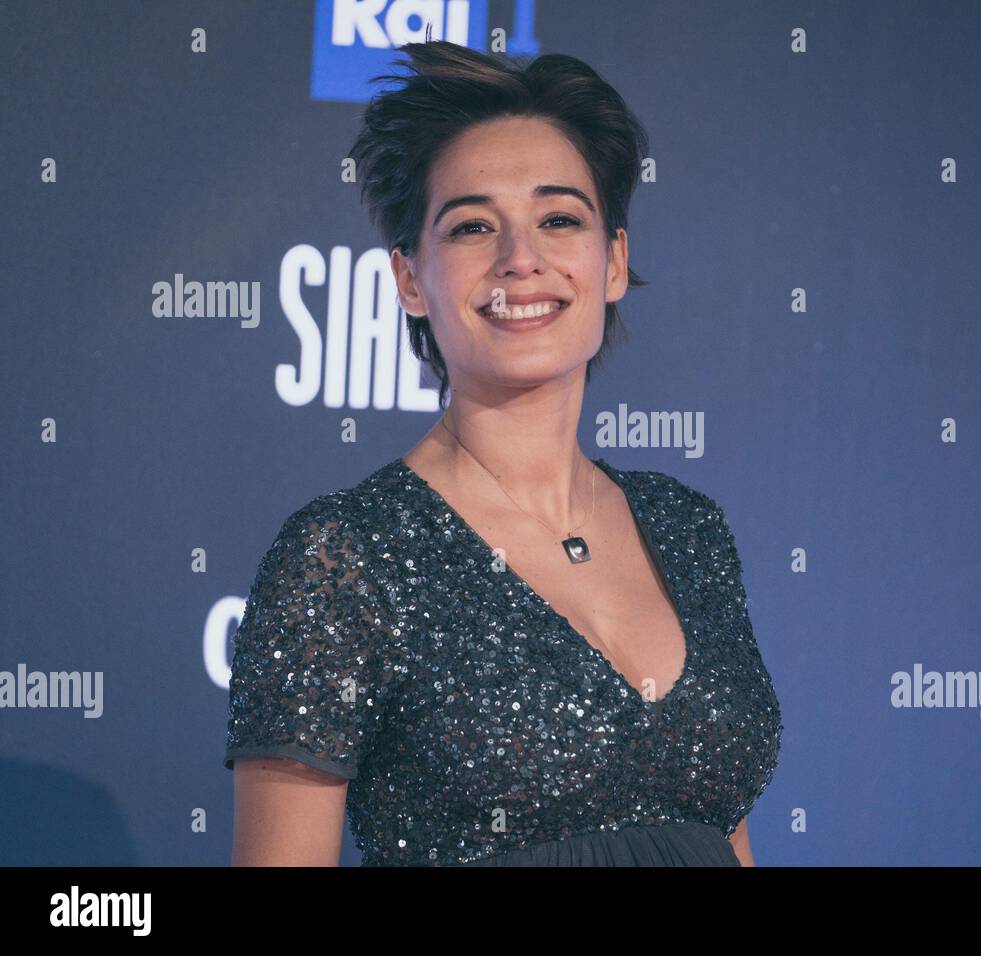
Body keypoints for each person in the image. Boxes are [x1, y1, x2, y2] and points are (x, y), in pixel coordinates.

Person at [223, 40, 782, 866]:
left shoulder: (689, 528)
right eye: (473, 226)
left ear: (614, 260)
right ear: (410, 279)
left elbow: (718, 833)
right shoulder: (347, 558)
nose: (522, 259)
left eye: (559, 218)